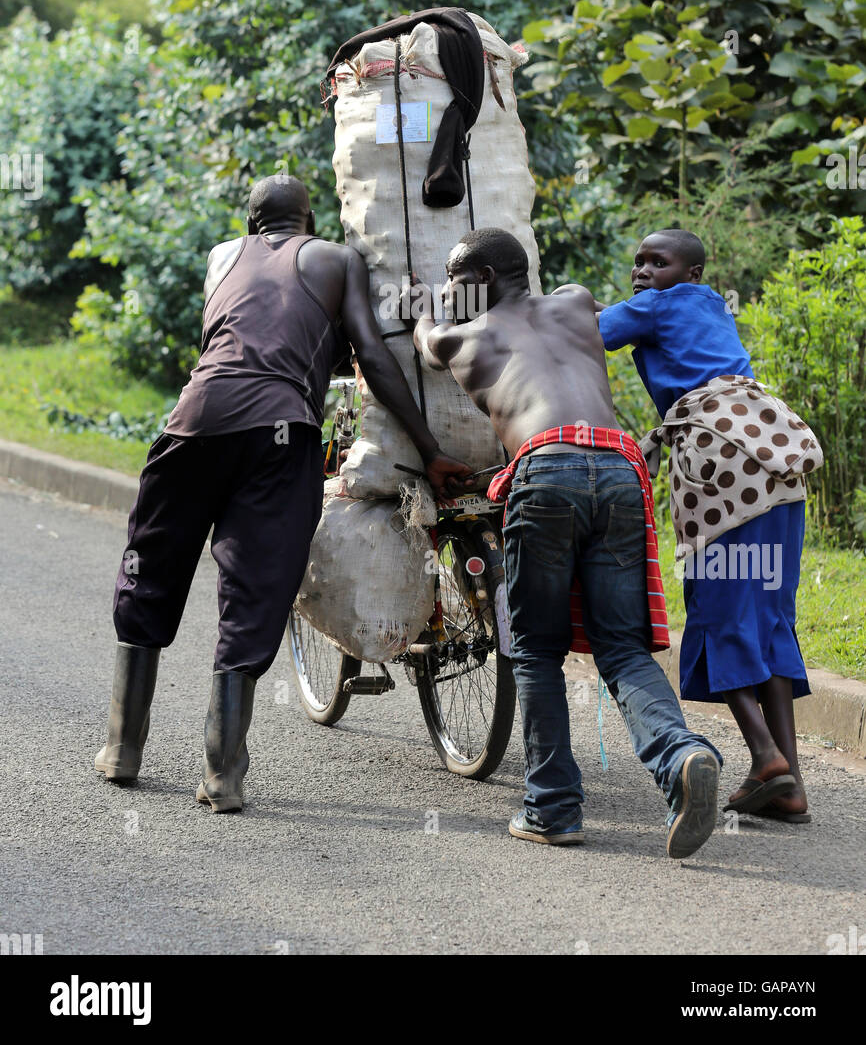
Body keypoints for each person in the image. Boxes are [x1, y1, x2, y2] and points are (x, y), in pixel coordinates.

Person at [95, 175, 472, 812]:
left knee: (152, 570)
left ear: (250, 223)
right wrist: (429, 449)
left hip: (192, 424)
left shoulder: (221, 257)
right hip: (277, 437)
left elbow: (238, 337)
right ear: (310, 220)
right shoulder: (335, 258)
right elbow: (374, 359)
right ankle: (221, 774)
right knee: (257, 584)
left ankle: (121, 749)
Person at [405, 227, 723, 858]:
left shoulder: (460, 335)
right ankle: (681, 754)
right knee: (623, 649)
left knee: (534, 647)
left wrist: (426, 301)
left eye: (456, 278)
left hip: (545, 469)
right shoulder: (577, 301)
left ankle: (552, 807)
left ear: (480, 282)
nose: (449, 290)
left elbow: (425, 339)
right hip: (619, 467)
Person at [597, 228, 818, 824]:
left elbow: (588, 334)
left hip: (718, 462)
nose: (642, 271)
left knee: (719, 606)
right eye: (637, 261)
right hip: (773, 460)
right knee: (769, 612)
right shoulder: (709, 304)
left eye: (658, 262)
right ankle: (788, 783)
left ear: (689, 273)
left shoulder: (657, 305)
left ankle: (767, 756)